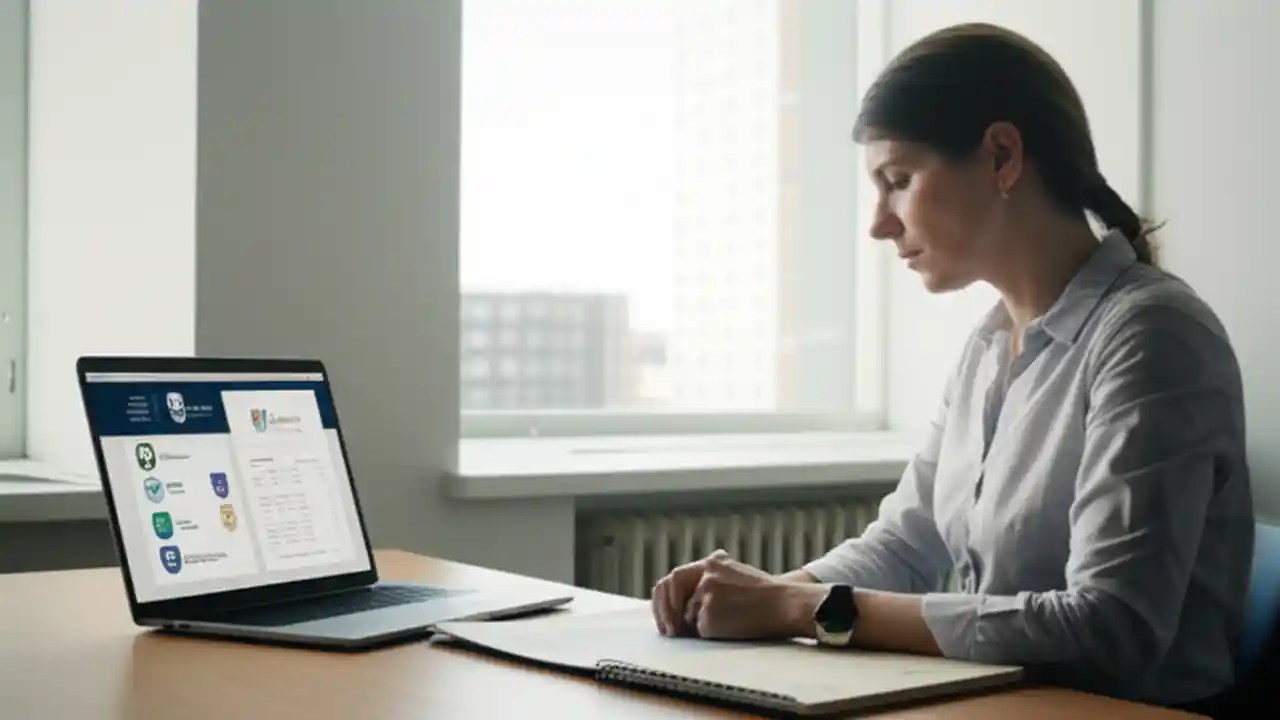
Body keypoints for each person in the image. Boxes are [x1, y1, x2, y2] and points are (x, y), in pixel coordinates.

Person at [650, 23, 1253, 711]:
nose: (879, 223)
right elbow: (908, 544)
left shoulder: (1153, 335)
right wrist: (756, 598)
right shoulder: (990, 347)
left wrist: (800, 610)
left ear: (1002, 155)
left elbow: (1108, 627)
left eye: (898, 181)